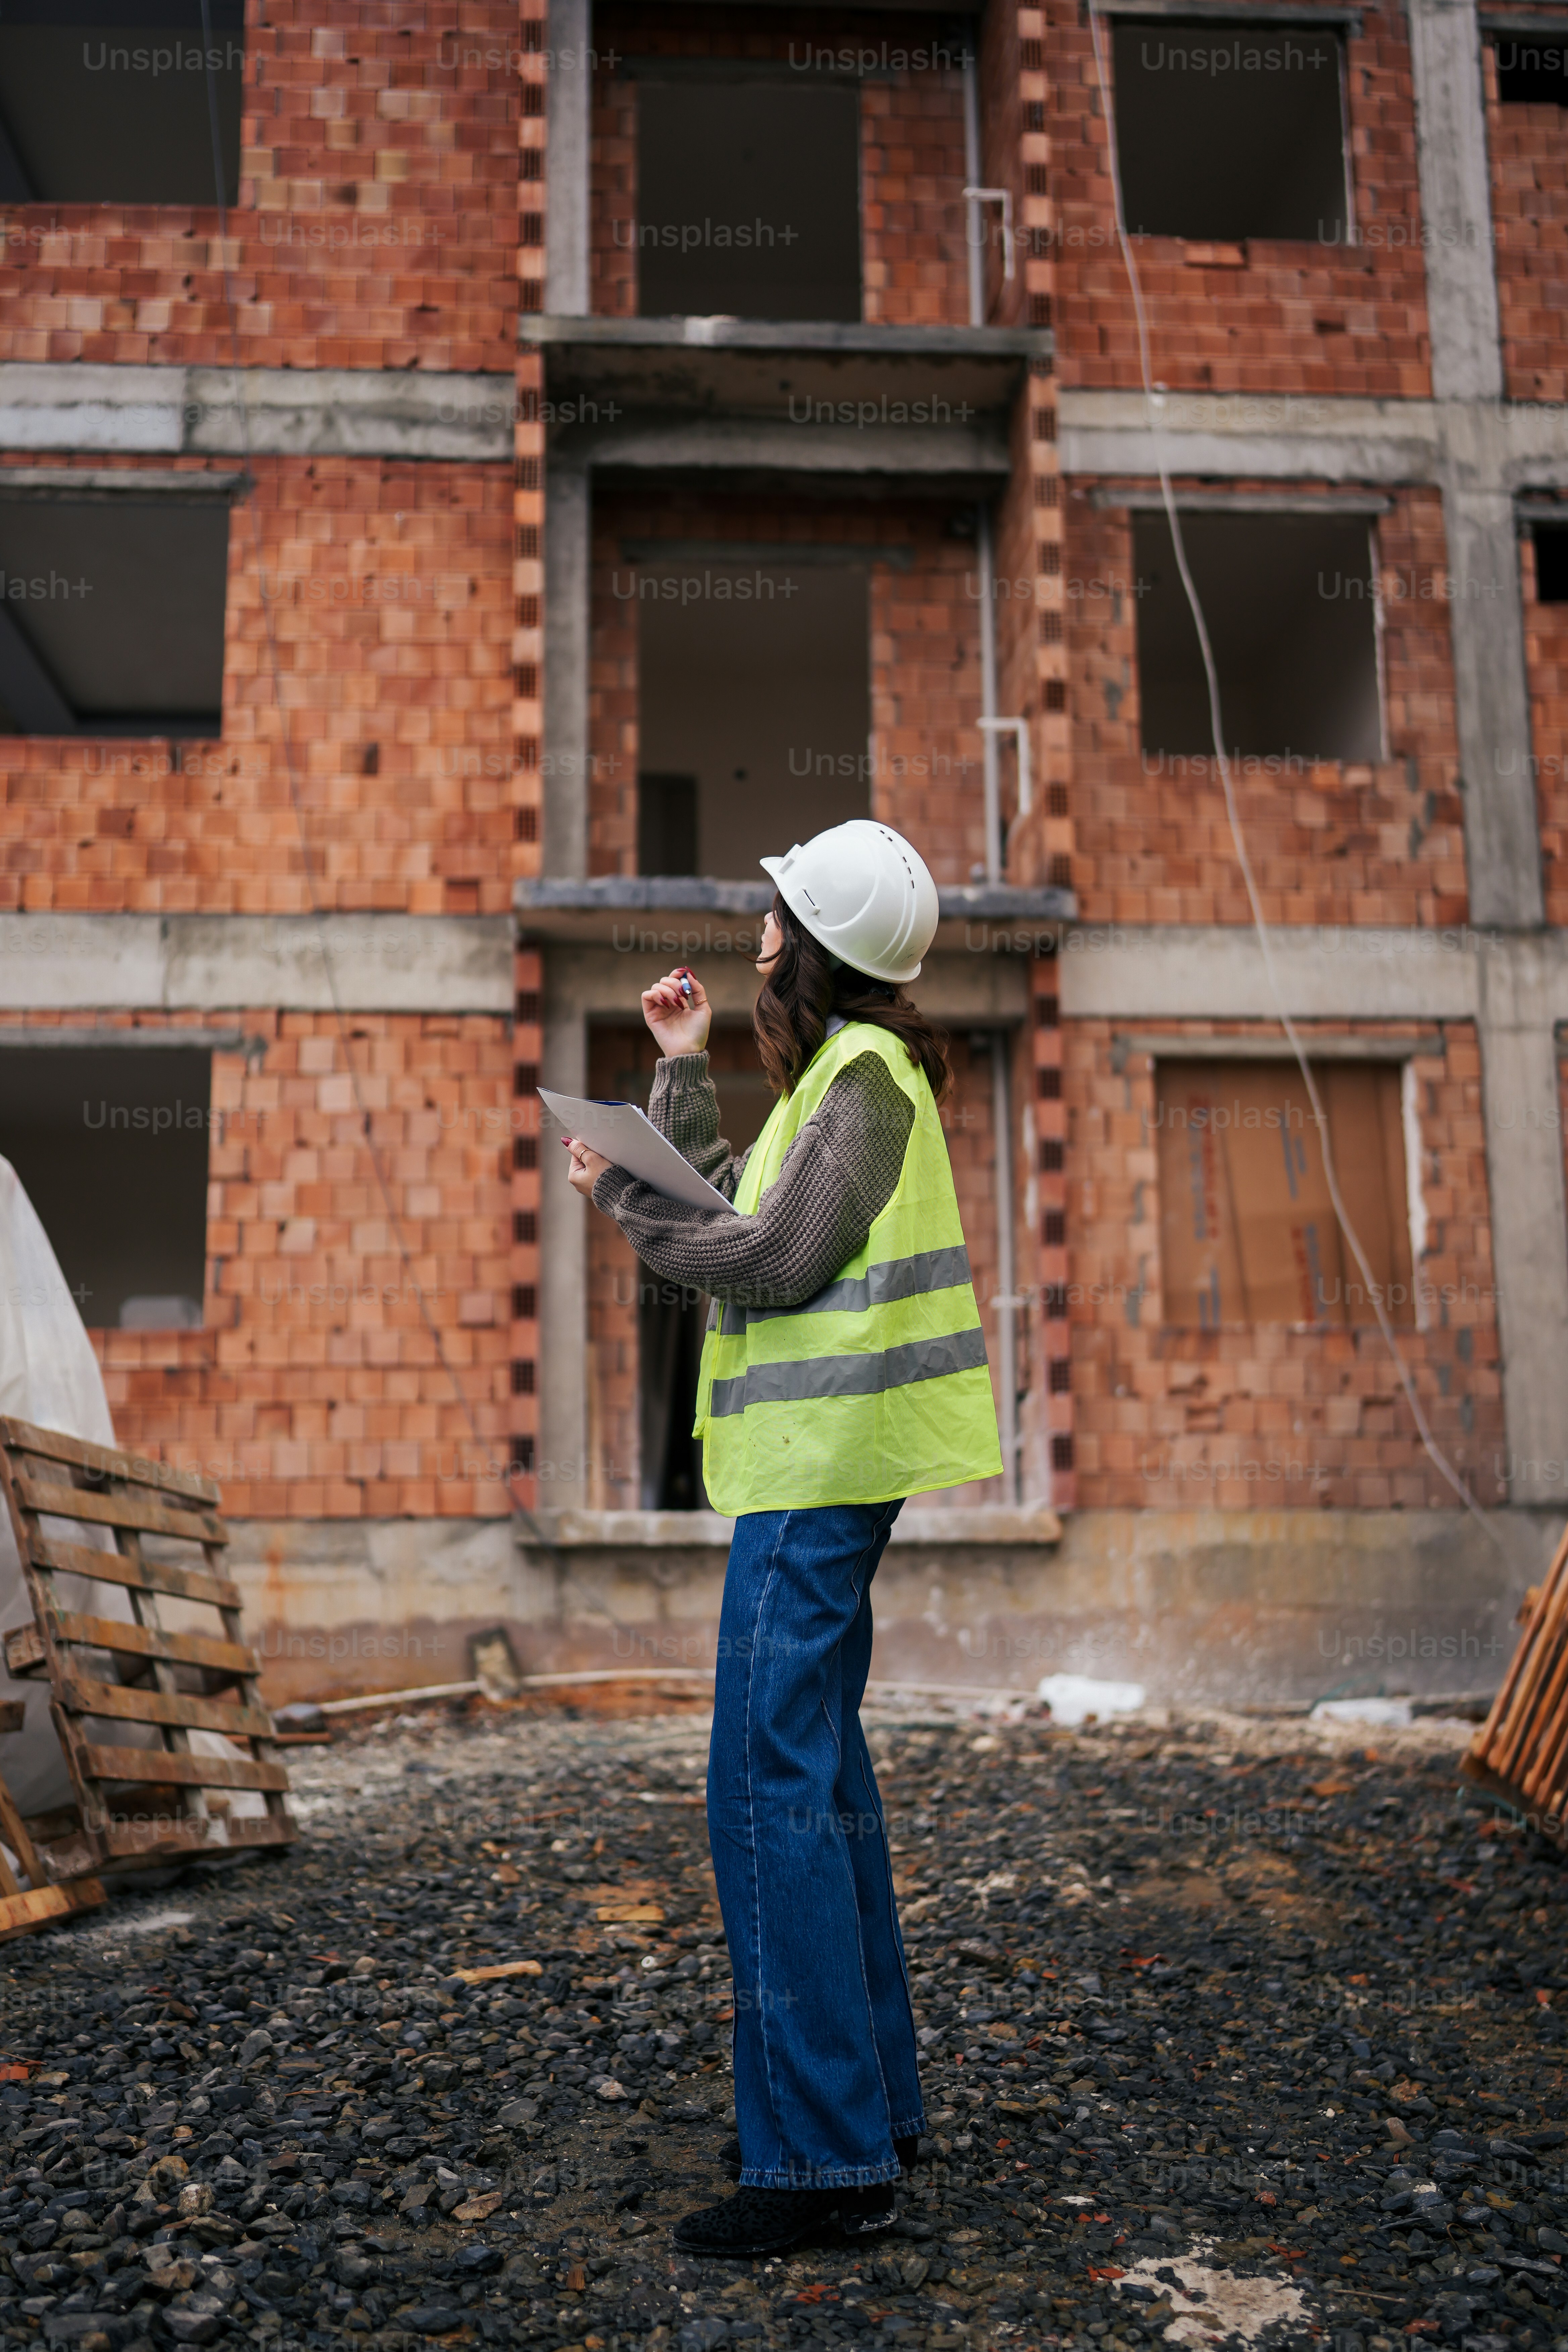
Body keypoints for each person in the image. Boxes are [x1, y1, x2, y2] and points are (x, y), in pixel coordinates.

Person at [563, 819, 1003, 2257]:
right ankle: (868, 2116)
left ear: (809, 943)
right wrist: (678, 1078)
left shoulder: (864, 1084)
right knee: (818, 1779)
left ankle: (820, 2161)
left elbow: (763, 1263)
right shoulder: (835, 1077)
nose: (756, 926)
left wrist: (623, 1199)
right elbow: (728, 1211)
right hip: (808, 1474)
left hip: (821, 1478)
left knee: (765, 1784)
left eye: (775, 911)